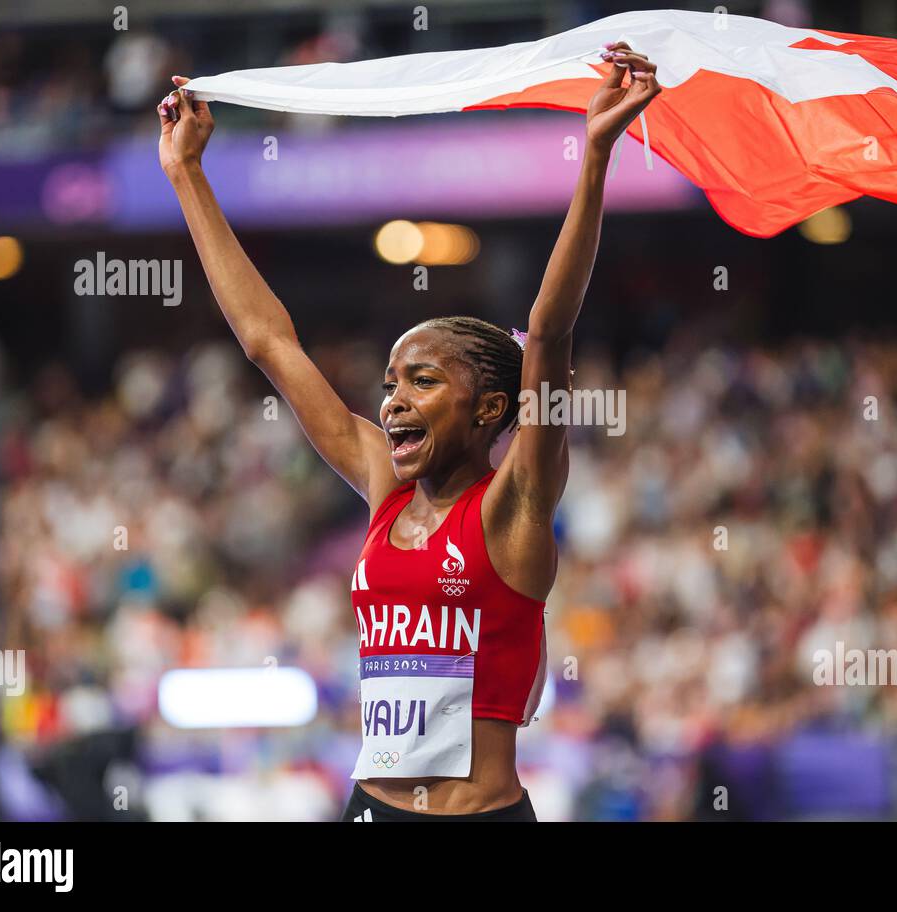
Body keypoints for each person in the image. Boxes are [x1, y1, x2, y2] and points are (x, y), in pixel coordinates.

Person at [157, 42, 661, 821]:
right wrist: (187, 175)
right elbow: (269, 343)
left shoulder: (513, 508)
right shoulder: (385, 490)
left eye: (423, 381)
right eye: (391, 382)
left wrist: (595, 155)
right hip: (371, 806)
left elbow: (550, 331)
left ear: (491, 409)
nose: (392, 401)